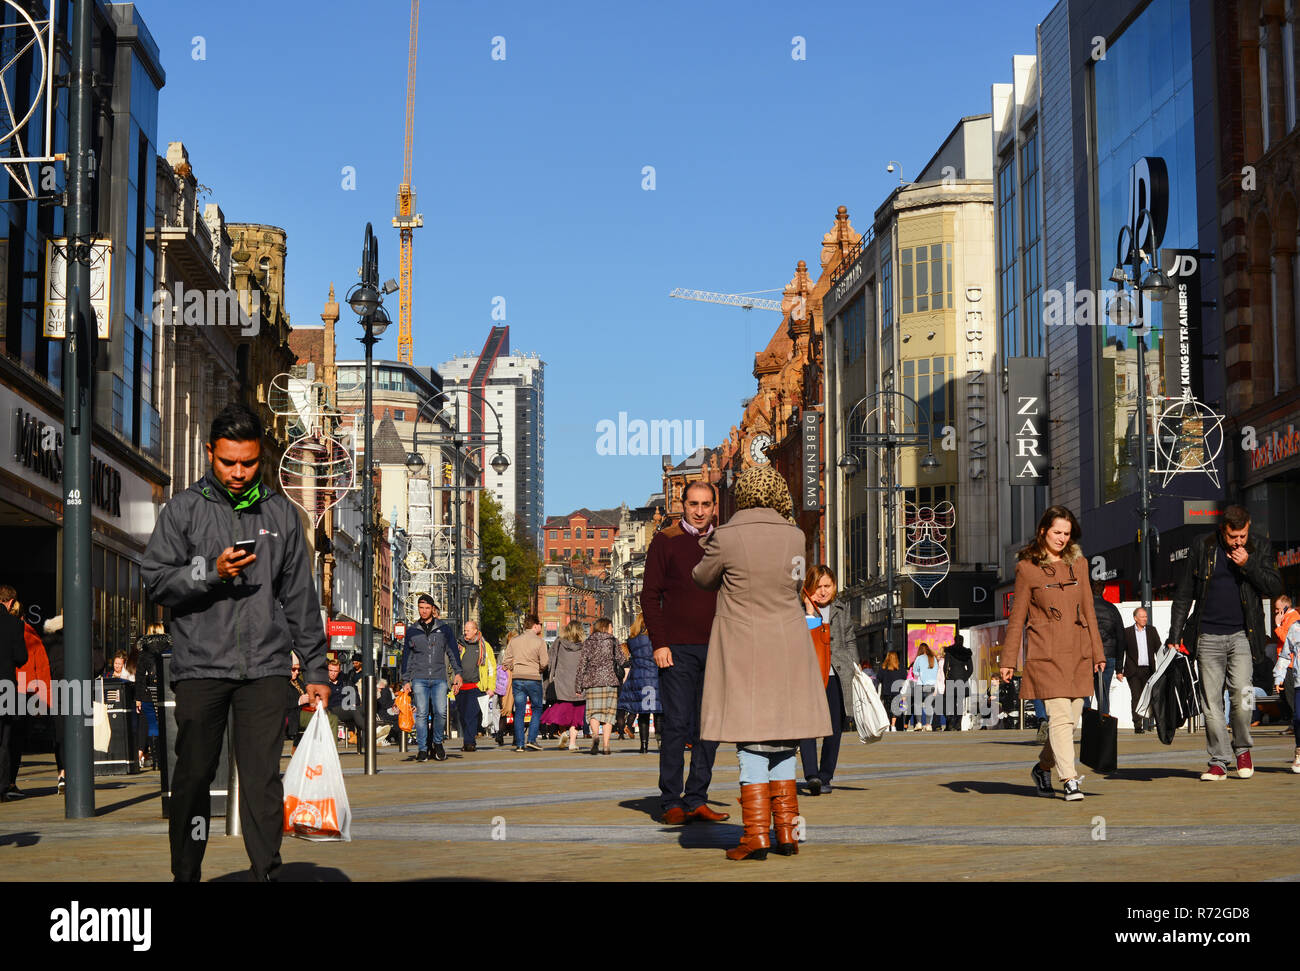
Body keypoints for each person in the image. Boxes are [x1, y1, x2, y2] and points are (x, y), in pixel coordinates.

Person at [141, 402, 329, 881]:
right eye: (229, 462)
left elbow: (301, 599)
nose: (240, 472)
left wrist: (315, 669)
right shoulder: (183, 509)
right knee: (193, 779)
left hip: (265, 669)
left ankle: (266, 872)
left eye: (249, 462)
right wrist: (210, 571)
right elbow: (156, 580)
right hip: (201, 668)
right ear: (210, 453)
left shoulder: (282, 515)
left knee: (264, 781)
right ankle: (186, 874)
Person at [692, 466, 830, 861]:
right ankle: (786, 832)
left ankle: (756, 836)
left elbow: (702, 578)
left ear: (745, 494)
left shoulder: (727, 536)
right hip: (787, 640)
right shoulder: (795, 535)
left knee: (750, 736)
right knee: (784, 736)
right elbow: (794, 583)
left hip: (742, 642)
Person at [1166, 504, 1283, 781]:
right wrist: (1174, 635)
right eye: (1233, 537)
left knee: (1242, 697)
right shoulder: (1202, 546)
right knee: (1211, 703)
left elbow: (1274, 587)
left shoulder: (1259, 547)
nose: (1239, 542)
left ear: (1248, 527)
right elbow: (1184, 593)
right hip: (1207, 635)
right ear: (1223, 530)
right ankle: (1219, 760)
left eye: (1242, 536)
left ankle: (1242, 749)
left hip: (1243, 635)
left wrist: (1248, 564)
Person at [999, 505, 1106, 802]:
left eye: (1067, 533)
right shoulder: (1027, 567)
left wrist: (1098, 651)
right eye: (1057, 532)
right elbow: (1017, 616)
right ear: (1043, 530)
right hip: (1046, 652)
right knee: (1059, 716)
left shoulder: (1080, 564)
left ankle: (1043, 767)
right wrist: (1009, 660)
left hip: (1079, 651)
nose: (1061, 538)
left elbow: (1089, 610)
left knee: (1070, 721)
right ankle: (1070, 779)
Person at [641, 480, 729, 825]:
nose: (700, 510)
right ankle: (670, 801)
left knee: (711, 726)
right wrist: (659, 643)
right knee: (677, 725)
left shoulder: (723, 542)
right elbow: (650, 596)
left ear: (714, 506)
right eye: (694, 504)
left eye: (706, 504)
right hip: (675, 649)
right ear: (682, 504)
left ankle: (696, 798)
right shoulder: (666, 541)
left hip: (718, 647)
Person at [798, 565, 855, 794]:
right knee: (808, 725)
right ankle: (811, 774)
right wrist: (810, 613)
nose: (822, 591)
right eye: (818, 586)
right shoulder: (798, 609)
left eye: (827, 586)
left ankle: (826, 776)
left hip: (836, 674)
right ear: (808, 588)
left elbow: (850, 638)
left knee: (834, 728)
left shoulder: (841, 608)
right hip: (809, 674)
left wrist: (853, 665)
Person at [400, 595, 462, 763]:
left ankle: (437, 743)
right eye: (421, 608)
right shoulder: (412, 630)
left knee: (441, 712)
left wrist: (458, 673)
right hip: (419, 678)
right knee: (421, 714)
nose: (424, 611)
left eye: (427, 608)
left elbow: (453, 652)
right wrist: (405, 680)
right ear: (418, 609)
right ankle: (422, 749)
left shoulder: (444, 629)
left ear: (433, 609)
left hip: (439, 677)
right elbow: (407, 657)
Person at [574, 618, 623, 755]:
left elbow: (582, 665)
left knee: (593, 712)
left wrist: (578, 686)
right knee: (609, 714)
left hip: (592, 681)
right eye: (611, 626)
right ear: (606, 627)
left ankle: (595, 736)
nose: (612, 629)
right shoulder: (613, 641)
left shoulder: (588, 642)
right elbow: (622, 659)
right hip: (610, 681)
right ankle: (606, 746)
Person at [503, 615, 548, 751]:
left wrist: (515, 668)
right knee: (537, 708)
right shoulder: (540, 642)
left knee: (519, 711)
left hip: (518, 679)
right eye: (540, 624)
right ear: (535, 625)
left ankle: (520, 744)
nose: (541, 626)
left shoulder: (515, 641)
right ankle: (532, 739)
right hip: (533, 678)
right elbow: (545, 662)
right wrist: (538, 669)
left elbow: (506, 661)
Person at [618, 613, 662, 754]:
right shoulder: (655, 638)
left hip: (638, 678)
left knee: (643, 713)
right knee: (658, 712)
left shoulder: (632, 640)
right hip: (655, 676)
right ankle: (661, 743)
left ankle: (644, 746)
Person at [541, 621, 587, 751]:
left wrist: (549, 678)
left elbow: (550, 661)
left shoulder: (559, 642)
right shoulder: (584, 646)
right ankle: (572, 742)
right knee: (576, 716)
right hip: (579, 686)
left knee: (562, 712)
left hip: (561, 684)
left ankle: (563, 733)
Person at [1117, 606, 1161, 733]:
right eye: (1142, 616)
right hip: (1133, 671)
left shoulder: (1152, 631)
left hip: (1149, 670)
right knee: (1136, 697)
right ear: (1135, 618)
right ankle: (1138, 725)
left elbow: (1158, 649)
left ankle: (1151, 722)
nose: (1144, 619)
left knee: (1150, 696)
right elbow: (1121, 652)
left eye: (1146, 616)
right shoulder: (1127, 632)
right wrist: (1119, 670)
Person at [0, 586, 25, 803]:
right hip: (5, 686)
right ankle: (2, 785)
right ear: (9, 603)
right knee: (4, 738)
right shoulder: (15, 624)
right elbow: (21, 656)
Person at [454, 620, 495, 752]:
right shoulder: (459, 645)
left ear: (475, 631)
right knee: (462, 716)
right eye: (465, 630)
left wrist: (491, 687)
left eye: (468, 630)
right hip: (460, 686)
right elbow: (452, 664)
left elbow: (491, 668)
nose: (465, 632)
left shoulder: (484, 646)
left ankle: (469, 742)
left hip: (476, 686)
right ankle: (468, 739)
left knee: (471, 715)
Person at [133, 624, 168, 770]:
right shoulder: (168, 647)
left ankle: (156, 761)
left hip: (148, 693)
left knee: (152, 725)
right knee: (165, 724)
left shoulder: (144, 651)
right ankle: (164, 757)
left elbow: (140, 676)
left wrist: (138, 698)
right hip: (165, 691)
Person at [1272, 595, 1300, 773]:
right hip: (1299, 681)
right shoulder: (1295, 628)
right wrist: (1278, 676)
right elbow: (1285, 653)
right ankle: (1299, 751)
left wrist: (1277, 624)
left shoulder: (1291, 620)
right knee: (1298, 718)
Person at [1090, 580, 1123, 717]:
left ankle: (1087, 721)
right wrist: (1120, 668)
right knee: (1104, 691)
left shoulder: (1087, 607)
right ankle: (1104, 720)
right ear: (1104, 591)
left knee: (1084, 692)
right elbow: (1121, 638)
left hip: (1089, 655)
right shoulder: (1112, 609)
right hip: (1108, 655)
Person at [43, 615, 66, 793]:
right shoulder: (80, 638)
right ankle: (75, 772)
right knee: (78, 733)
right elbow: (98, 663)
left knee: (59, 734)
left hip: (54, 691)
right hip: (77, 691)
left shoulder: (46, 643)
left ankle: (61, 773)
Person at [943, 633, 974, 731]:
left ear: (954, 640)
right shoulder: (966, 652)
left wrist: (947, 677)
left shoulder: (950, 651)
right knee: (960, 702)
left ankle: (951, 722)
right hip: (962, 678)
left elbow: (945, 667)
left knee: (951, 702)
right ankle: (958, 723)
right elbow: (970, 668)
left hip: (952, 677)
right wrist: (965, 677)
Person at [909, 644, 940, 731]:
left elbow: (915, 672)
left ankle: (919, 723)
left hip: (920, 684)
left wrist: (920, 674)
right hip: (931, 685)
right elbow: (936, 671)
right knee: (928, 705)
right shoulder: (933, 658)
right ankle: (928, 724)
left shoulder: (919, 658)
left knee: (918, 704)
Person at [879, 651, 904, 732]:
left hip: (886, 691)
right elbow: (904, 678)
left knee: (887, 709)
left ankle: (887, 726)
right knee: (895, 709)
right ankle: (893, 726)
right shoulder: (900, 667)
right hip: (897, 692)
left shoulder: (883, 667)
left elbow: (879, 677)